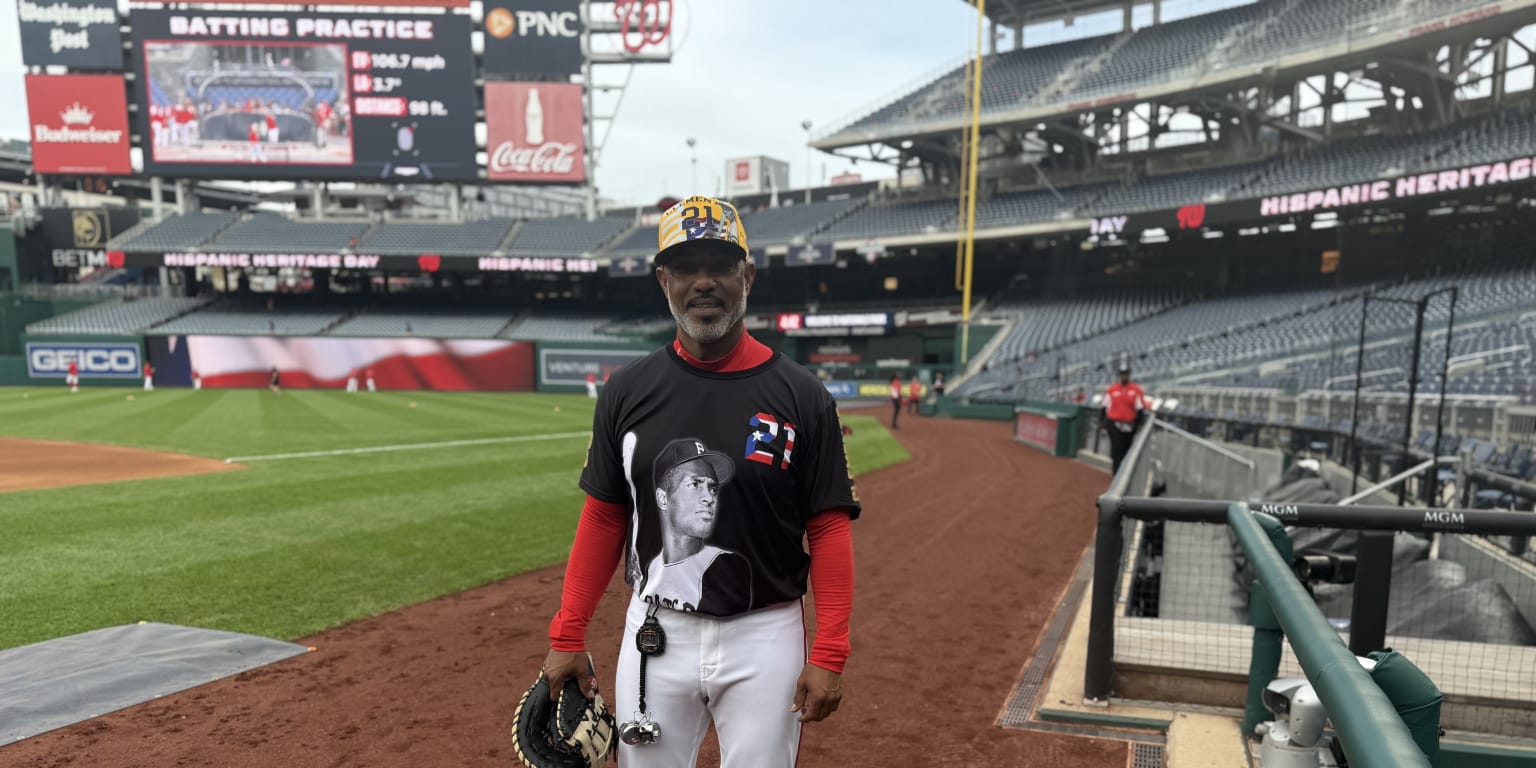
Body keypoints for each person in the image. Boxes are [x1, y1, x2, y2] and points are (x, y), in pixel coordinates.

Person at [540, 195, 860, 768]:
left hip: (766, 633)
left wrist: (830, 649)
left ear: (748, 275)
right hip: (655, 631)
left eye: (721, 265)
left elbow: (829, 526)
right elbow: (605, 516)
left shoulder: (802, 395)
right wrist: (568, 634)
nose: (704, 282)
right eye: (686, 267)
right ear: (664, 279)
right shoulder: (626, 391)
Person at [1101, 363, 1147, 475]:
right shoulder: (1112, 390)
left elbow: (1140, 409)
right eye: (1122, 374)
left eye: (1126, 374)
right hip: (1114, 424)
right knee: (1117, 449)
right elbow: (1104, 407)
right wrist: (1102, 422)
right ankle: (1116, 474)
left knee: (1126, 449)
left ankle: (1123, 473)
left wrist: (1137, 425)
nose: (1124, 376)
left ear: (1129, 375)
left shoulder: (1136, 390)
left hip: (1129, 425)